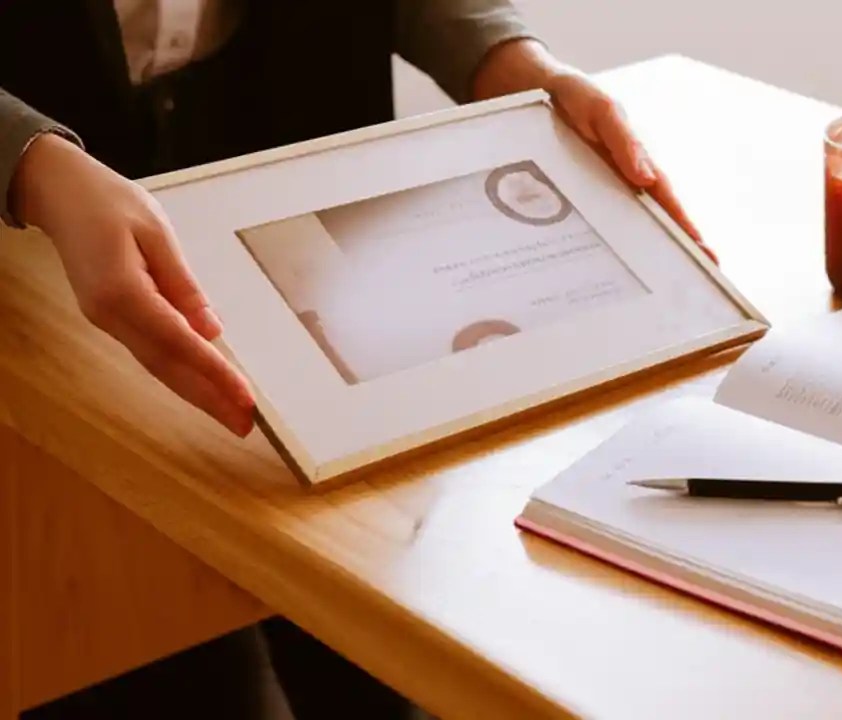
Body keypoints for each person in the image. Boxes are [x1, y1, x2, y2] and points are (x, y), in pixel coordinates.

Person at [2, 2, 710, 718]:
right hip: (33, 291)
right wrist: (29, 162)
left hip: (307, 184)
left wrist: (515, 62)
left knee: (393, 657)